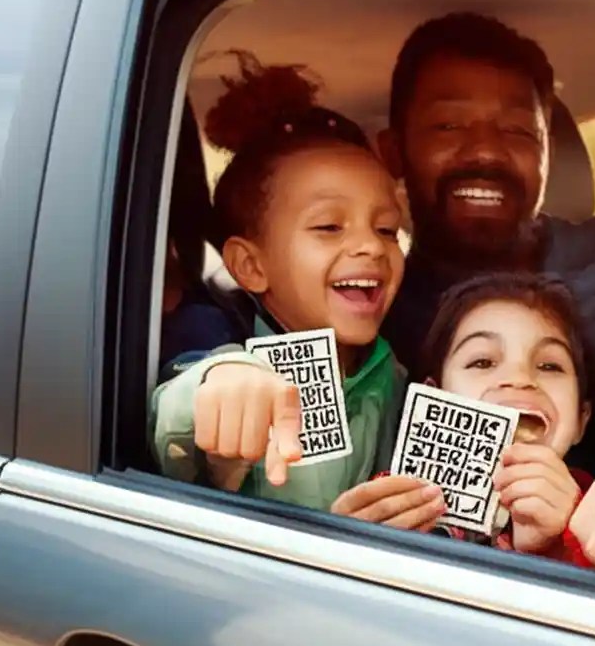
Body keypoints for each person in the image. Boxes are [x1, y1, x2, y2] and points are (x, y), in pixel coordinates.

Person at [375, 12, 595, 477]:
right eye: (449, 127)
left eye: (517, 130)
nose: (487, 152)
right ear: (393, 151)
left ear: (548, 152)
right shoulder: (369, 306)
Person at [149, 53, 409, 513]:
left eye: (388, 229)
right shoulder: (226, 355)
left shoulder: (396, 380)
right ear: (250, 266)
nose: (371, 246)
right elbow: (179, 409)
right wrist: (221, 384)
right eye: (329, 226)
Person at [343, 272, 595, 563]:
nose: (519, 378)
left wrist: (559, 545)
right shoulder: (395, 499)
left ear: (581, 419)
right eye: (483, 362)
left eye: (550, 365)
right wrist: (349, 541)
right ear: (433, 401)